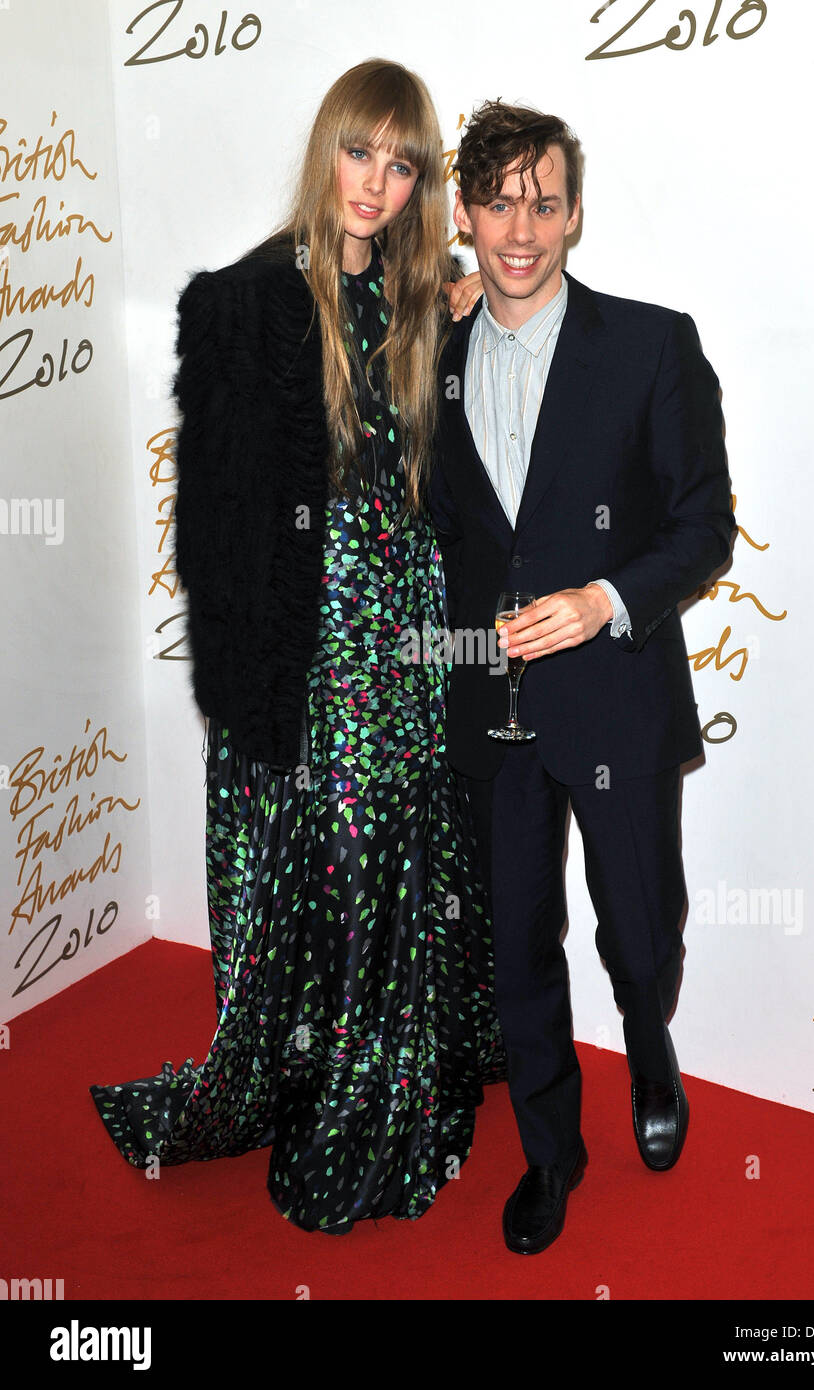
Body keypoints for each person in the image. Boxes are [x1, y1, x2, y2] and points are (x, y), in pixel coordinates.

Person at [89, 59, 504, 1234]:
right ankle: (327, 1080)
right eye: (358, 152)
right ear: (325, 149)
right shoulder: (245, 301)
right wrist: (249, 692)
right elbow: (213, 531)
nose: (374, 183)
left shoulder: (425, 299)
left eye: (401, 162)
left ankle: (389, 1069)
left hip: (410, 630)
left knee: (399, 852)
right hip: (311, 642)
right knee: (334, 854)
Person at [430, 100, 735, 1254]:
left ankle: (649, 1048)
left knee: (638, 932)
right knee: (516, 949)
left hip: (614, 695)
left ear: (573, 214)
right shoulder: (434, 353)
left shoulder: (651, 344)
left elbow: (705, 526)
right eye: (497, 201)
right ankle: (551, 1157)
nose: (521, 228)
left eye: (542, 202)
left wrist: (605, 600)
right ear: (464, 214)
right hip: (488, 714)